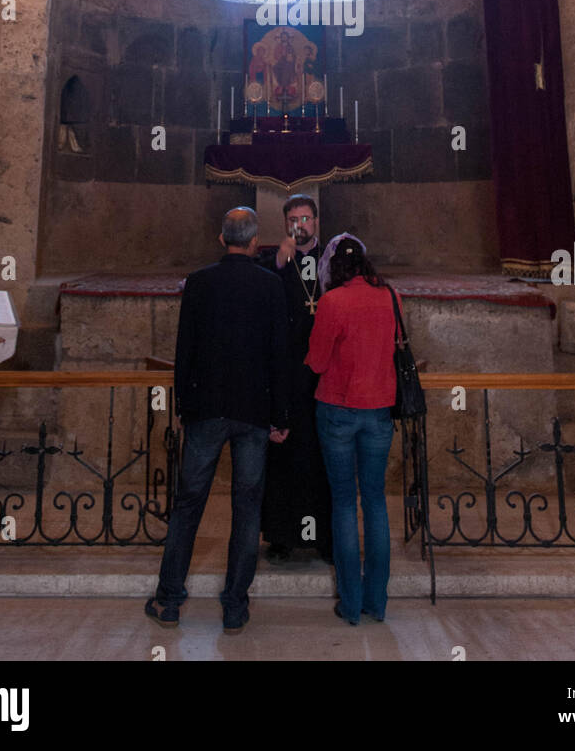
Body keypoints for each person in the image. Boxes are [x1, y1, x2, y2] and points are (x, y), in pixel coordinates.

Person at [145, 207, 289, 634]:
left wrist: (185, 408)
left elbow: (184, 350)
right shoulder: (269, 285)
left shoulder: (200, 283)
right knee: (247, 510)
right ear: (253, 240)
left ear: (221, 238)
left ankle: (169, 600)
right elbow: (279, 356)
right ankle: (234, 607)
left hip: (205, 410)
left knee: (188, 505)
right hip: (254, 412)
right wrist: (280, 415)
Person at [305, 234, 402, 626]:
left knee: (344, 503)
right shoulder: (391, 297)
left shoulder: (332, 302)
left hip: (339, 410)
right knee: (375, 501)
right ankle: (376, 602)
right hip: (380, 408)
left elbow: (315, 361)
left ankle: (350, 604)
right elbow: (395, 344)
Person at [257, 194, 333, 564]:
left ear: (316, 222)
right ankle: (283, 536)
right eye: (293, 220)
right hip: (286, 373)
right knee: (284, 456)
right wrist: (280, 260)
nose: (299, 226)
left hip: (323, 374)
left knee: (321, 457)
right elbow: (262, 301)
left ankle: (324, 538)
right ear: (285, 224)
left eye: (305, 219)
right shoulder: (273, 262)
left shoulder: (333, 260)